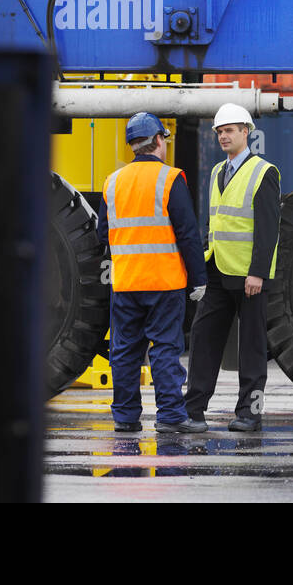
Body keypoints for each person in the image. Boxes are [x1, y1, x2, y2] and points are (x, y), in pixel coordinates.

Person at [97, 112, 208, 434]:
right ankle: (171, 417)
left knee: (125, 352)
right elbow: (188, 233)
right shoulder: (170, 179)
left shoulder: (112, 181)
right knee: (164, 349)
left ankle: (126, 417)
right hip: (164, 281)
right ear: (159, 140)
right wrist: (199, 278)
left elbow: (103, 235)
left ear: (133, 145)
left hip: (126, 281)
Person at [184, 102, 281, 432]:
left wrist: (258, 271)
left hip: (250, 275)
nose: (223, 136)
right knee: (203, 336)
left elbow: (268, 228)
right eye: (219, 132)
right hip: (218, 270)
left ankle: (249, 413)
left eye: (229, 130)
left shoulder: (263, 172)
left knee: (252, 347)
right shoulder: (215, 172)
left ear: (246, 132)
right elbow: (214, 222)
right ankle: (193, 410)